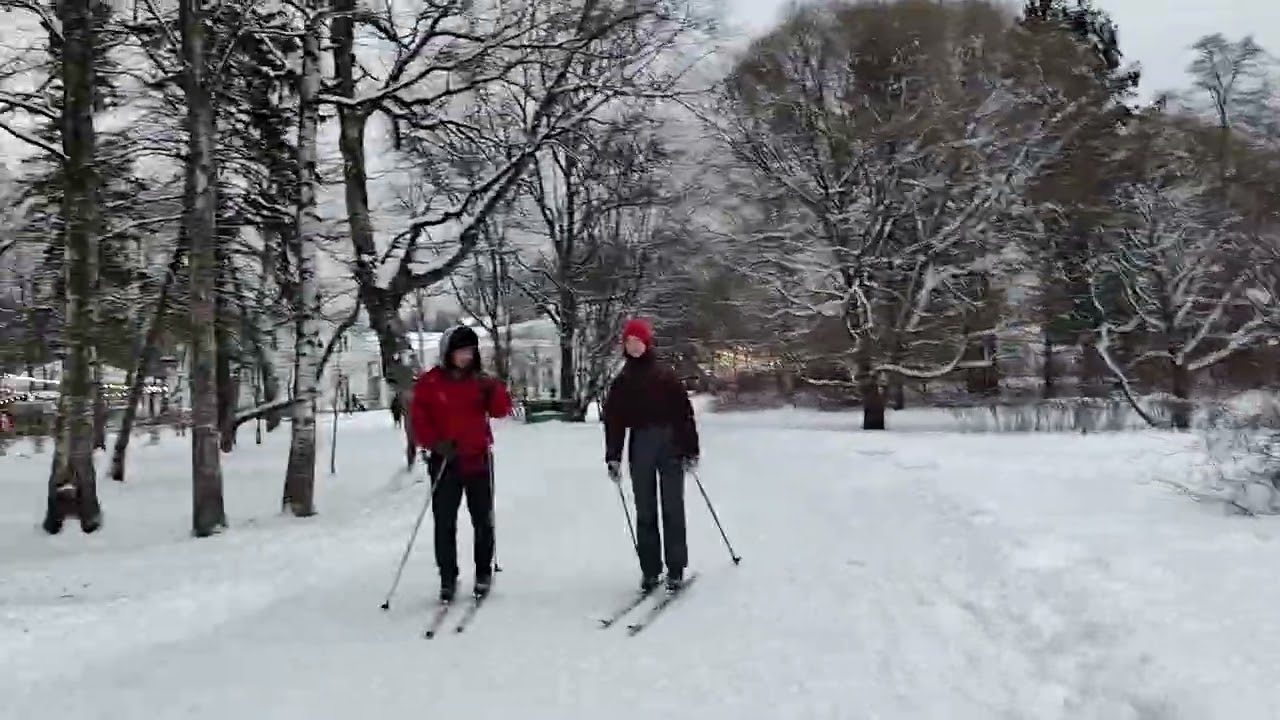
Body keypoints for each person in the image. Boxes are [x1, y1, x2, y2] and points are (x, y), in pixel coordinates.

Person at [410, 324, 512, 602]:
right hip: (446, 460)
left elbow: (501, 411)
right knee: (445, 522)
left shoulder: (479, 381)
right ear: (447, 353)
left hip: (477, 459)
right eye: (460, 351)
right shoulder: (431, 383)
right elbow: (419, 419)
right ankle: (447, 577)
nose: (466, 356)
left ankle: (483, 572)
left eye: (470, 351)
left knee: (483, 519)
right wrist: (435, 443)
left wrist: (493, 388)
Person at [602, 318, 700, 594]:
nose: (634, 347)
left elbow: (684, 414)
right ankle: (650, 570)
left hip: (669, 443)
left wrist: (690, 448)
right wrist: (613, 455)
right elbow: (614, 420)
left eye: (638, 341)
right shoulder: (622, 381)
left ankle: (676, 567)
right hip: (640, 443)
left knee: (672, 507)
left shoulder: (665, 375)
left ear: (647, 343)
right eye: (629, 342)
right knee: (645, 509)